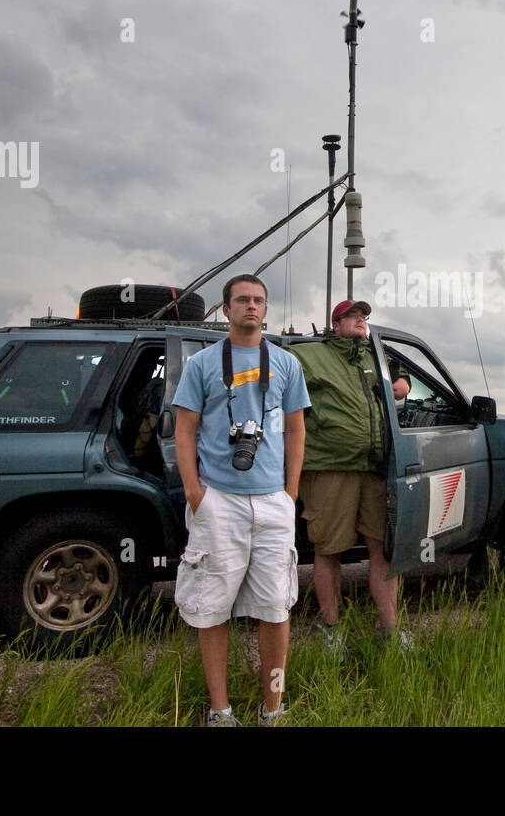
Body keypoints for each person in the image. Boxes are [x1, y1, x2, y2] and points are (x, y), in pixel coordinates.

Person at [172, 274, 309, 727]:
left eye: (258, 301)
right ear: (225, 309)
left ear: (266, 310)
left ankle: (273, 707)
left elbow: (295, 429)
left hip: (272, 500)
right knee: (213, 608)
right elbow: (185, 430)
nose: (251, 307)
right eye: (242, 300)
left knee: (275, 608)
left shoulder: (287, 363)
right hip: (220, 499)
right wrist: (195, 493)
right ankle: (220, 709)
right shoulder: (202, 364)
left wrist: (290, 493)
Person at [288, 299, 411, 653]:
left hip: (375, 467)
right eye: (353, 316)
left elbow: (400, 379)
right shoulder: (309, 356)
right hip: (330, 467)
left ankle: (389, 628)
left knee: (384, 549)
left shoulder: (374, 357)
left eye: (365, 317)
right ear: (335, 324)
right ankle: (332, 631)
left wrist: (400, 383)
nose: (361, 320)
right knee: (329, 550)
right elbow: (283, 398)